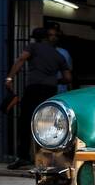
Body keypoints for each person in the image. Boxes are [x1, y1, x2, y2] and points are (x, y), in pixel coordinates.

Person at [6, 25, 71, 169]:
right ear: (48, 38)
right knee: (47, 125)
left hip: (34, 89)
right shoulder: (58, 55)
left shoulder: (33, 47)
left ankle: (23, 157)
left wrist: (10, 78)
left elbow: (21, 60)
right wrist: (54, 80)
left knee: (25, 122)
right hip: (50, 91)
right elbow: (68, 78)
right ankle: (47, 160)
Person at [47, 22, 73, 95]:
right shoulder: (41, 52)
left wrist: (70, 92)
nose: (53, 37)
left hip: (61, 90)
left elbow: (69, 75)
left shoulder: (64, 52)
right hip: (45, 90)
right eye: (50, 35)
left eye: (56, 35)